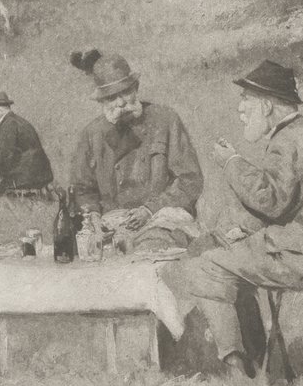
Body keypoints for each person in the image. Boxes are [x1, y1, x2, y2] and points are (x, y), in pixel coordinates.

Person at [164, 61, 303, 379]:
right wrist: (237, 230)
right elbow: (289, 204)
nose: (240, 109)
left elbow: (271, 200)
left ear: (267, 106)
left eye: (246, 100)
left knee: (205, 266)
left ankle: (239, 371)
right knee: (225, 258)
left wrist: (231, 162)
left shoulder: (290, 140)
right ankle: (261, 364)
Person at [69, 49, 203, 247]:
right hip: (114, 225)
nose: (121, 103)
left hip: (161, 218)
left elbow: (190, 181)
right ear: (101, 101)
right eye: (111, 98)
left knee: (155, 244)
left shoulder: (166, 120)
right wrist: (94, 218)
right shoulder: (92, 133)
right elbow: (82, 189)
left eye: (125, 92)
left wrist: (149, 210)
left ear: (136, 88)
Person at [0, 91, 53, 195]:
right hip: (40, 172)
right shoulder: (17, 120)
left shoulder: (8, 124)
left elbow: (6, 153)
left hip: (27, 175)